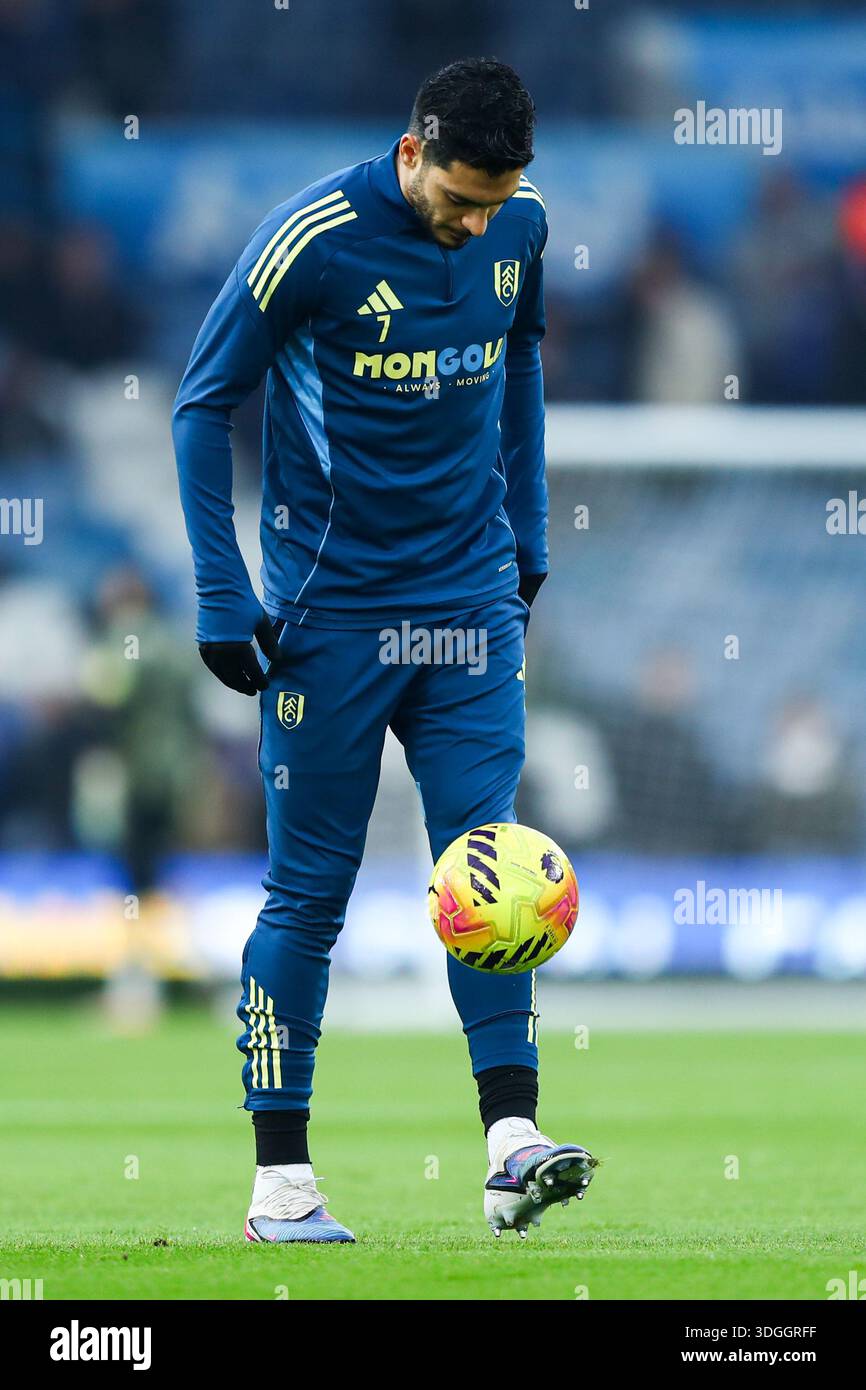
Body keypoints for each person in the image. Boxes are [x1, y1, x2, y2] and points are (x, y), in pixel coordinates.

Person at [173, 58, 596, 1244]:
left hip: (466, 605)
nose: (473, 226)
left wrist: (523, 528)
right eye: (458, 200)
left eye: (493, 202)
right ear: (412, 151)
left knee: (489, 862)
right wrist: (220, 594)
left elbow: (517, 360)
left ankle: (510, 1142)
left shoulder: (521, 225)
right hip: (331, 611)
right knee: (310, 896)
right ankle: (280, 1185)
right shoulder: (309, 239)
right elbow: (202, 403)